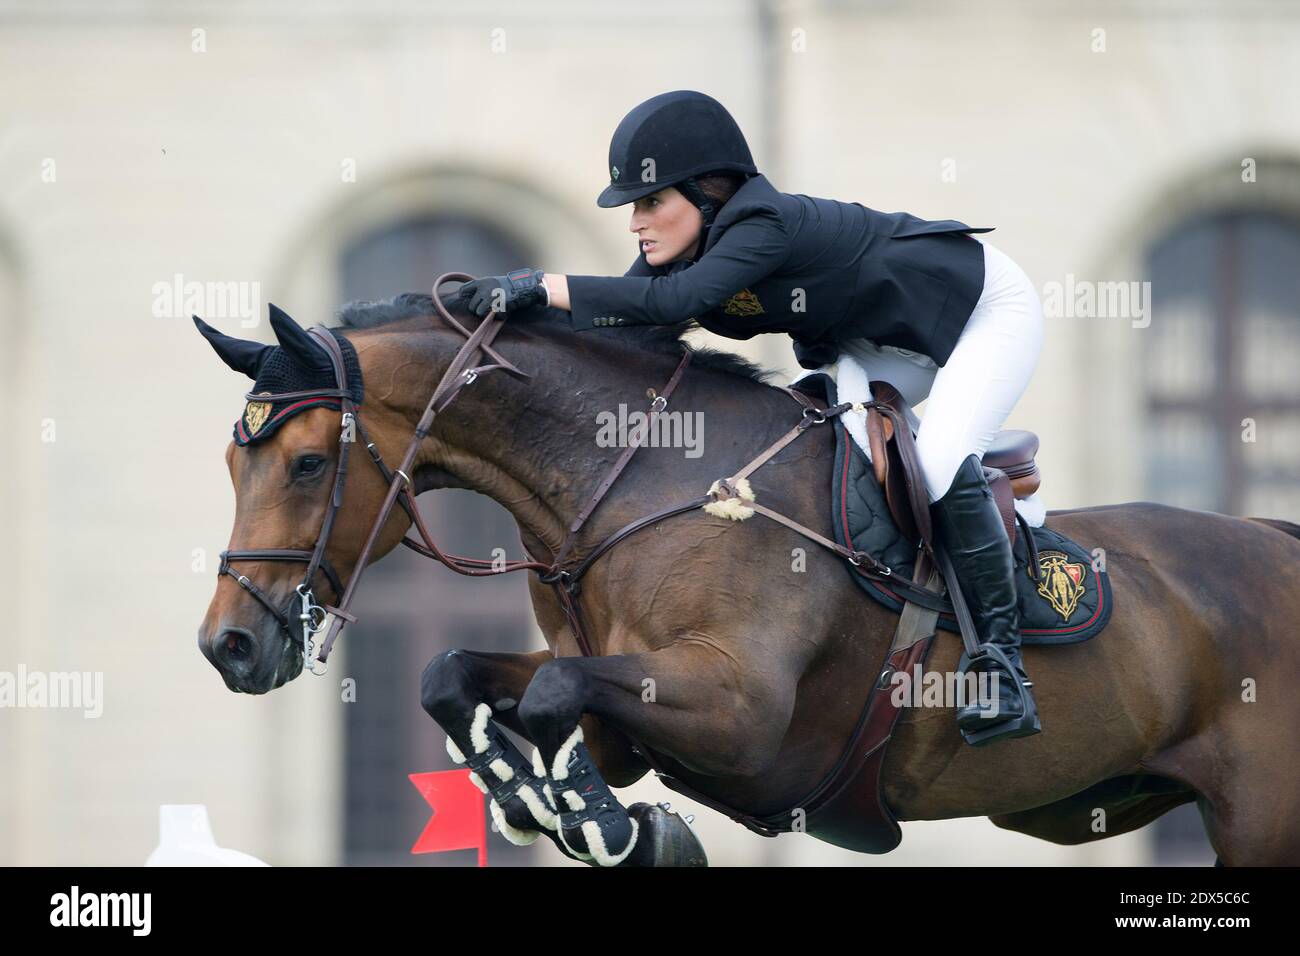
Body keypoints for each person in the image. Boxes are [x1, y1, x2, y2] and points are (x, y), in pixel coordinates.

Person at [457, 90, 1043, 746]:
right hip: (876, 343)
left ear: (708, 195)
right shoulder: (686, 247)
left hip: (981, 316)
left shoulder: (761, 222)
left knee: (936, 464)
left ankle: (1001, 664)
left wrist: (540, 283)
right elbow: (626, 328)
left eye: (651, 203)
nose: (636, 224)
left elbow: (676, 301)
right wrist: (493, 314)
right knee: (809, 447)